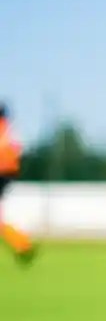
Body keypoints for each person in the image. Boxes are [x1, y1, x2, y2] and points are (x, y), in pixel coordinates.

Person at [0, 104, 37, 266]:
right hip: (10, 172)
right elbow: (19, 150)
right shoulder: (11, 130)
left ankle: (23, 244)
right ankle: (23, 244)